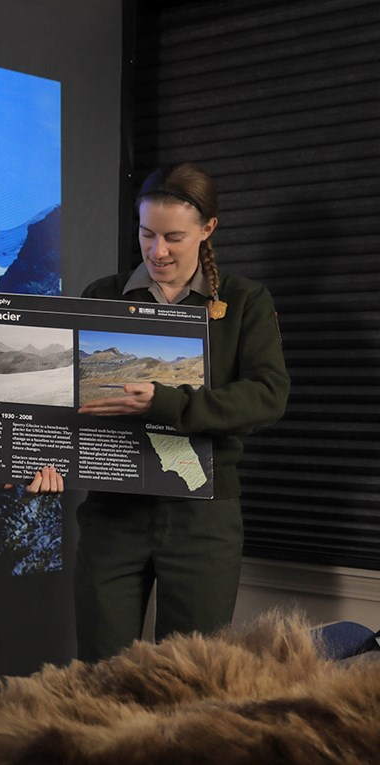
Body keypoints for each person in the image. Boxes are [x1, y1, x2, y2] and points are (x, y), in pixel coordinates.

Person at [31, 163, 290, 662]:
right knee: (100, 677)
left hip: (204, 516)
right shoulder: (101, 296)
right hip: (113, 513)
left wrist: (168, 403)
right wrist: (39, 457)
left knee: (189, 682)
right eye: (147, 234)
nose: (158, 251)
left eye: (174, 236)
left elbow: (267, 396)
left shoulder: (244, 301)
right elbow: (70, 401)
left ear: (208, 229)